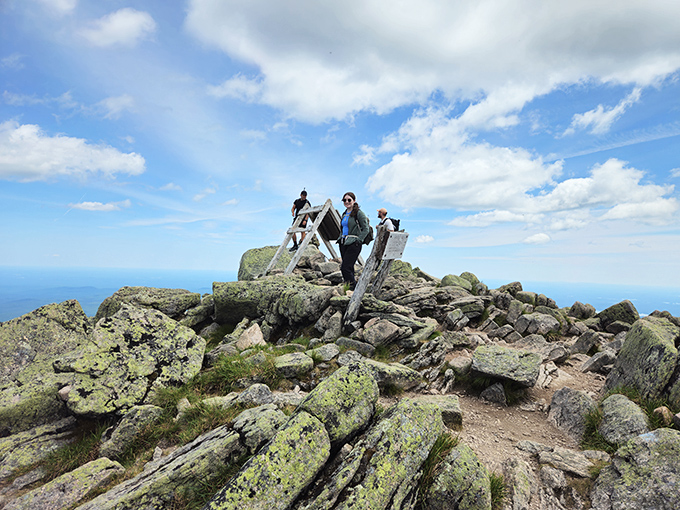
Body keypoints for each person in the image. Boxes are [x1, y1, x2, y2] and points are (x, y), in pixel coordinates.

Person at [338, 192, 369, 290]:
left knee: (345, 268)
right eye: (345, 200)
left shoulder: (359, 213)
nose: (347, 202)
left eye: (349, 200)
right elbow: (342, 228)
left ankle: (353, 289)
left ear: (354, 201)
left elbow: (366, 229)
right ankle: (349, 288)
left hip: (354, 243)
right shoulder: (344, 213)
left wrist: (359, 240)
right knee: (349, 267)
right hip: (343, 243)